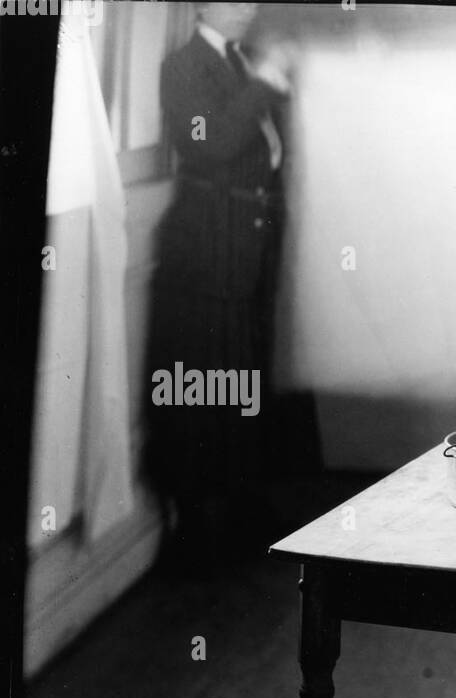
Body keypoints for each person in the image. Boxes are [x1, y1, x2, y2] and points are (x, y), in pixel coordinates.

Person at [144, 2, 292, 569]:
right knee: (203, 382)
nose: (247, 8)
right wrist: (261, 88)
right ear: (204, 5)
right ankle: (202, 528)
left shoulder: (238, 61)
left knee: (239, 377)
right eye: (234, 0)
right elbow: (207, 143)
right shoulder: (183, 65)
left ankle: (236, 509)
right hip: (208, 244)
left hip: (245, 243)